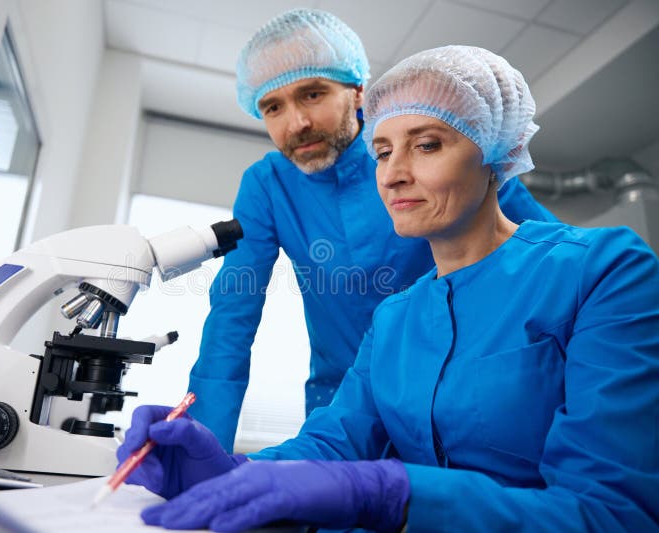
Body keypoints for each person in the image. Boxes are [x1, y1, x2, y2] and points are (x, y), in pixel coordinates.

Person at [118, 45, 659, 532]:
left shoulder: (603, 272)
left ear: (497, 152)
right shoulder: (396, 318)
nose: (393, 174)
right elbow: (335, 441)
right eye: (381, 152)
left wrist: (391, 493)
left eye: (427, 145)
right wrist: (224, 468)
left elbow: (615, 513)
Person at [188, 8, 557, 453]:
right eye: (272, 106)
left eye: (312, 94)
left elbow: (550, 259)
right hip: (341, 401)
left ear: (359, 91)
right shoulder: (267, 184)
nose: (296, 123)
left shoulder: (420, 155)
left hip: (454, 387)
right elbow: (233, 314)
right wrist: (201, 446)